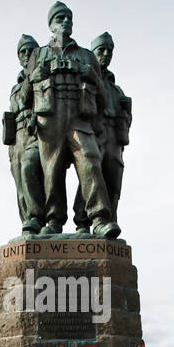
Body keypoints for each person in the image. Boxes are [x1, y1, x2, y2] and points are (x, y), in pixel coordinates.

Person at [27, 1, 120, 239]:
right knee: (52, 169)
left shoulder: (86, 55)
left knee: (90, 160)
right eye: (60, 18)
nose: (66, 22)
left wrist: (90, 75)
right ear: (51, 25)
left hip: (79, 115)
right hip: (50, 115)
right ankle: (53, 220)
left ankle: (99, 218)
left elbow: (101, 94)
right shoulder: (38, 55)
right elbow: (26, 92)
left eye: (68, 18)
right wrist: (36, 76)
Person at [73, 31, 131, 233]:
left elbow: (126, 117)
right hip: (94, 132)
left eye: (109, 51)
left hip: (115, 137)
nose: (106, 54)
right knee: (91, 175)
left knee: (113, 180)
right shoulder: (86, 79)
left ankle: (109, 221)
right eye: (101, 50)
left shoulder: (117, 90)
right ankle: (83, 221)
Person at [5, 34, 44, 235]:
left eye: (30, 50)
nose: (27, 54)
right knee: (20, 186)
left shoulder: (41, 77)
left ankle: (38, 217)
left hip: (36, 133)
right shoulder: (15, 87)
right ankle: (29, 222)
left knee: (31, 168)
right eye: (23, 51)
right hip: (16, 139)